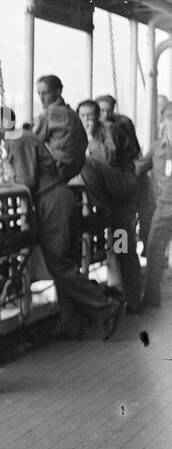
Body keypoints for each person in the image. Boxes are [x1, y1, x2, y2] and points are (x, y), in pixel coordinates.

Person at [0, 110, 121, 339]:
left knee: (58, 263)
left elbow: (25, 180)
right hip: (54, 199)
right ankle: (70, 321)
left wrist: (1, 184)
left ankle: (105, 306)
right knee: (61, 262)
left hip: (51, 200)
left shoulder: (16, 139)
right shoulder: (21, 138)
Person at [78, 98, 142, 311]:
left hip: (121, 197)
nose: (87, 120)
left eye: (90, 116)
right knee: (117, 246)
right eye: (83, 116)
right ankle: (122, 293)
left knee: (123, 246)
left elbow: (109, 158)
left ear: (98, 116)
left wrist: (89, 140)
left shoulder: (108, 131)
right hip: (113, 197)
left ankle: (132, 299)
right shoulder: (92, 135)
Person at [96, 94, 155, 249]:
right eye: (102, 111)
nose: (106, 115)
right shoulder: (95, 128)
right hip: (111, 180)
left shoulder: (122, 124)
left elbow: (132, 150)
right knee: (118, 222)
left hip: (123, 178)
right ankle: (117, 253)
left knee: (124, 220)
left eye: (109, 111)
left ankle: (129, 251)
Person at [141, 97, 172, 310]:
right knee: (153, 248)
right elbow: (138, 169)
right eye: (169, 118)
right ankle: (151, 300)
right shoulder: (156, 148)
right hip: (164, 207)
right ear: (163, 122)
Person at [32, 75, 88, 188]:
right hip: (74, 168)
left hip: (57, 169)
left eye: (45, 93)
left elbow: (33, 141)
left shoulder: (50, 113)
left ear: (58, 91)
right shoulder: (72, 114)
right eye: (39, 93)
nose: (41, 98)